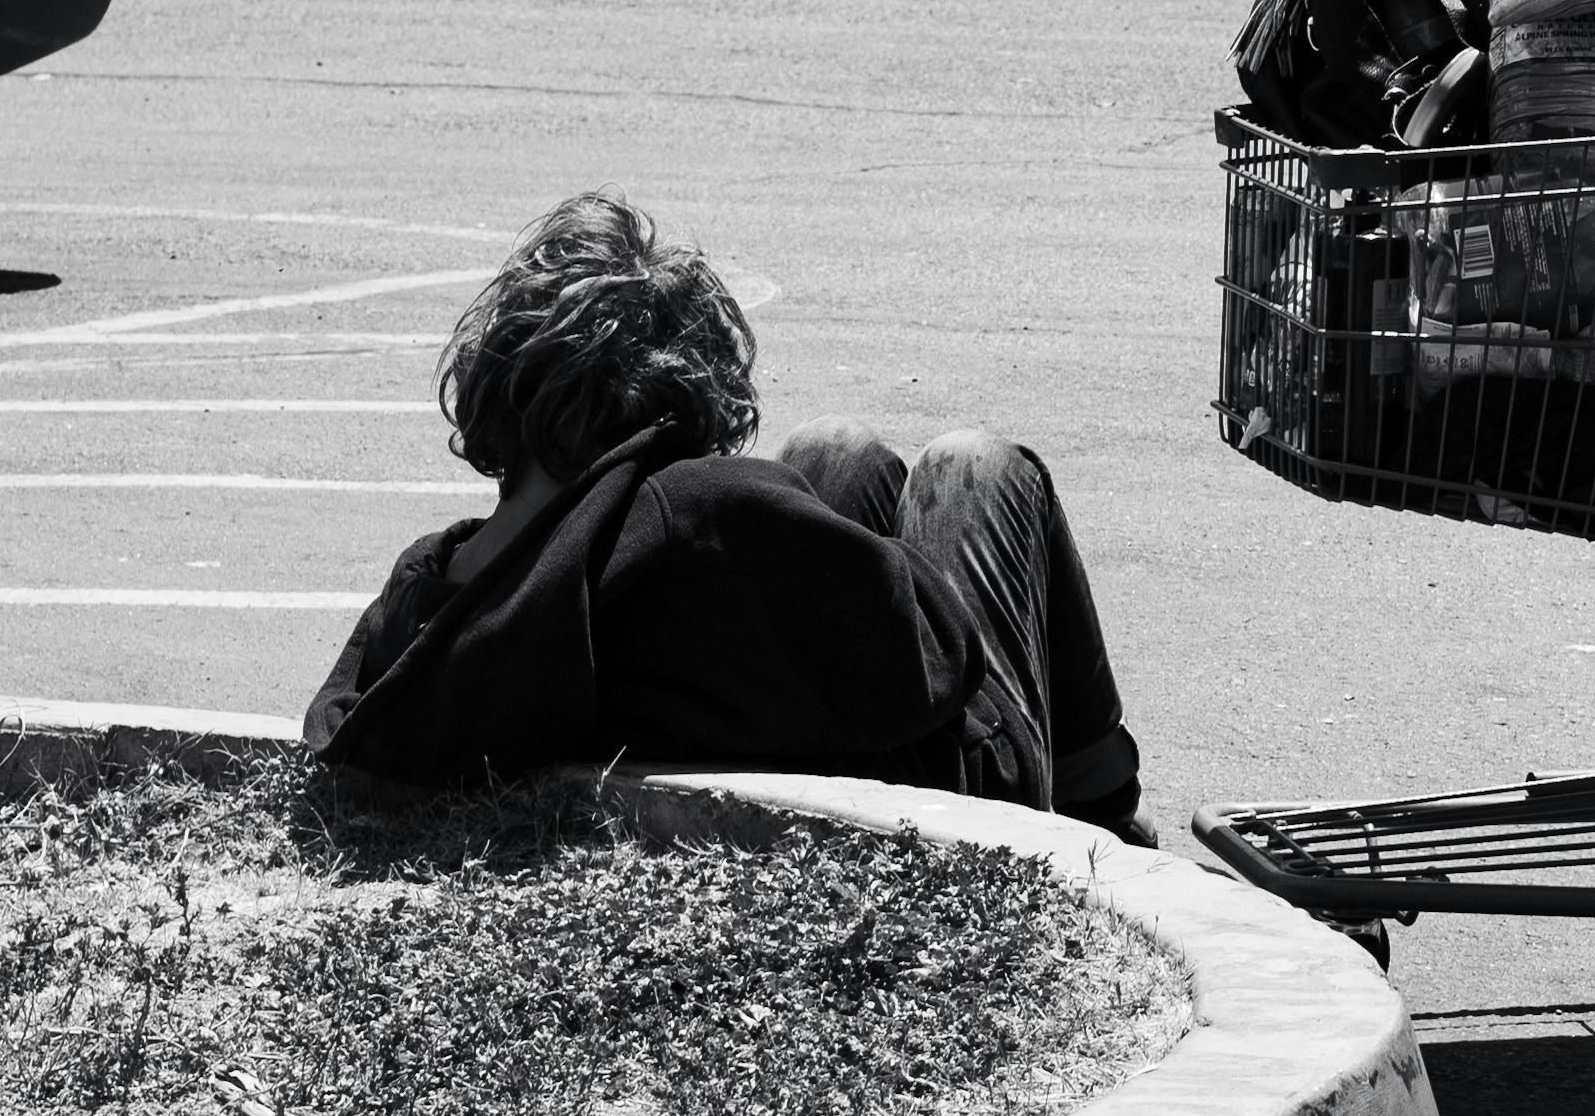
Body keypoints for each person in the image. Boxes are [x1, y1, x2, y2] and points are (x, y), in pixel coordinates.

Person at [304, 193, 1144, 834]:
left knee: (832, 450)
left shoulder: (428, 587)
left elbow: (337, 717)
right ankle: (1099, 806)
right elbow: (938, 655)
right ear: (679, 407)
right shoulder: (696, 512)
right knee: (977, 464)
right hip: (943, 800)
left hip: (718, 735)